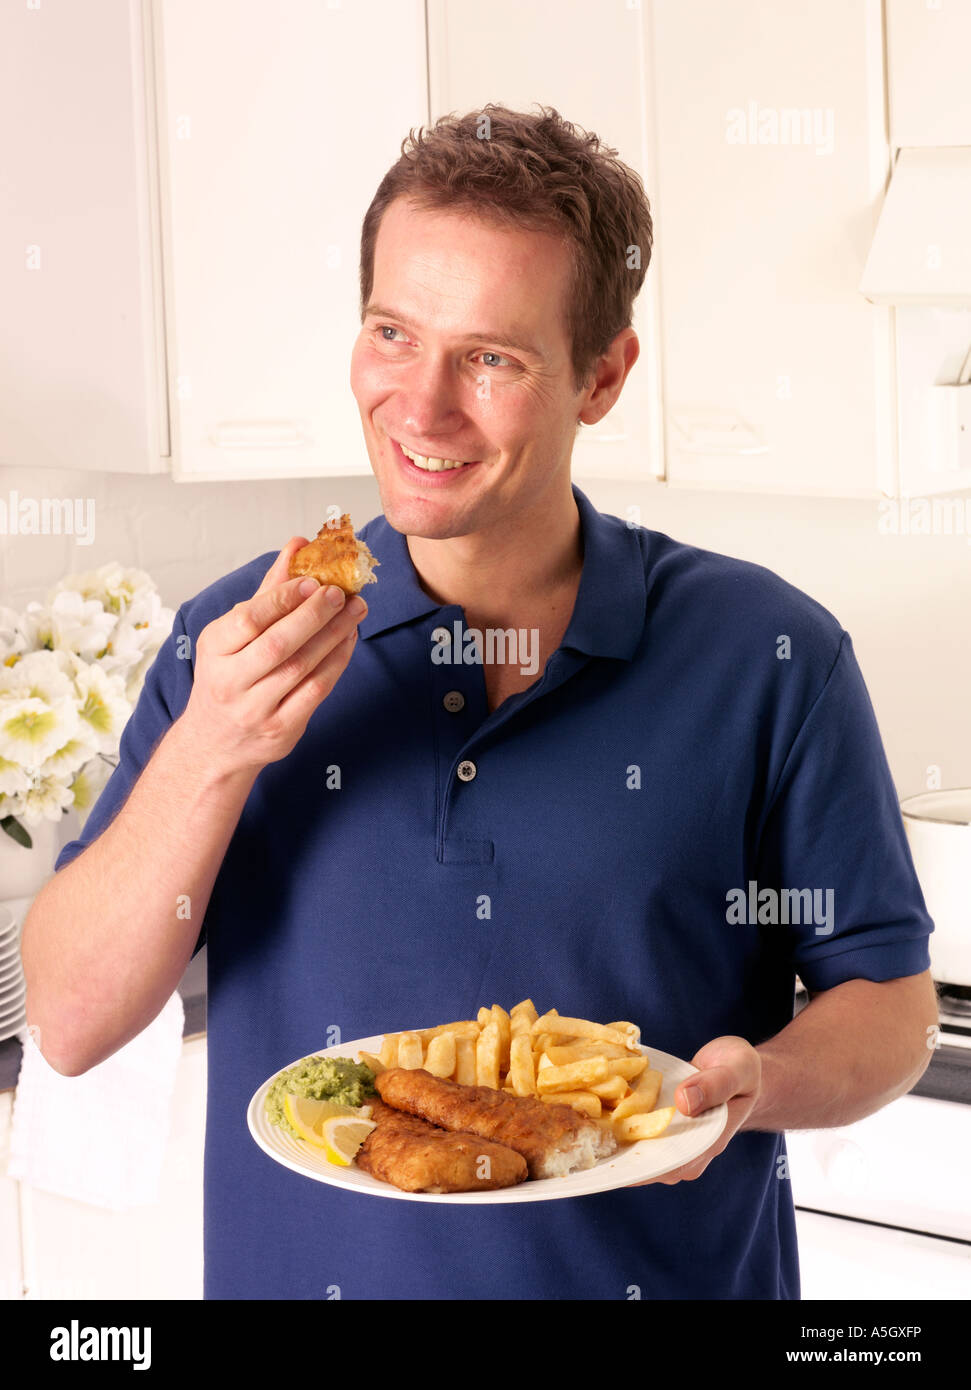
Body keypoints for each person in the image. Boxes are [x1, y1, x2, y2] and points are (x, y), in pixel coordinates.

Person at [22, 105, 937, 1300]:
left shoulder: (767, 655)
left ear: (601, 376)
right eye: (393, 333)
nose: (421, 405)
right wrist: (214, 744)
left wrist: (758, 1081)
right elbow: (73, 1020)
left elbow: (888, 1004)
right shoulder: (234, 640)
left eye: (491, 357)